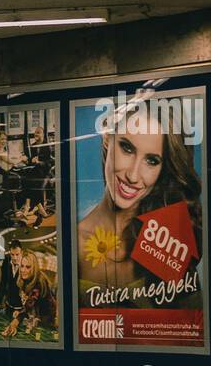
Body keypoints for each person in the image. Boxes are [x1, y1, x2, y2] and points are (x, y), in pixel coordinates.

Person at [76, 104, 203, 291]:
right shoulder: (72, 243)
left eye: (152, 161)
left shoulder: (167, 242)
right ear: (106, 139)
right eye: (127, 148)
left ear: (163, 169)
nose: (133, 176)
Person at [1, 249, 56, 338]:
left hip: (46, 324)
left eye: (28, 267)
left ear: (33, 268)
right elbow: (26, 303)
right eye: (22, 266)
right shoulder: (23, 280)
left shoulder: (40, 282)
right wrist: (19, 312)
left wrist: (15, 322)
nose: (23, 270)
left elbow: (29, 304)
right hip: (34, 320)